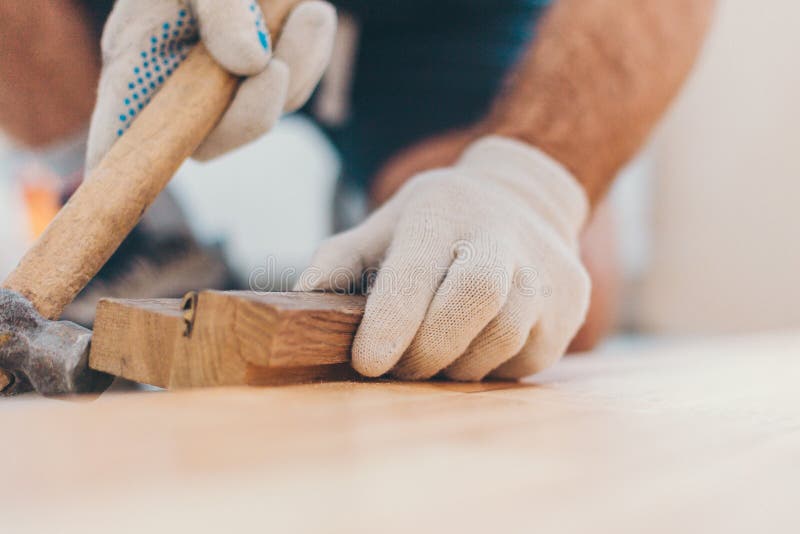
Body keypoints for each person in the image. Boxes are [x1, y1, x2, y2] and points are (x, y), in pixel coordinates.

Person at [0, 0, 716, 381]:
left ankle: (391, 222)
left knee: (512, 301)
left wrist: (528, 181)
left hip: (443, 21)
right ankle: (133, 238)